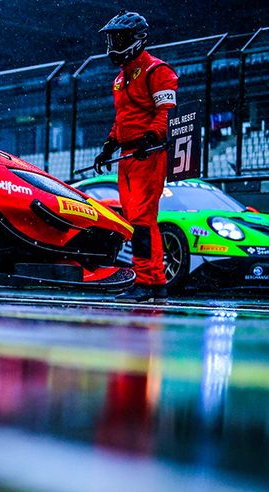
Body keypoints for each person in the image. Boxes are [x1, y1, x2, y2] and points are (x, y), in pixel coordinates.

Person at [93, 11, 178, 303]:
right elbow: (123, 117)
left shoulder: (158, 71)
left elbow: (165, 113)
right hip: (128, 155)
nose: (114, 43)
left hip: (149, 155)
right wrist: (109, 144)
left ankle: (144, 281)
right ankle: (156, 282)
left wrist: (151, 138)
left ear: (138, 40)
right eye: (112, 38)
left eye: (120, 38)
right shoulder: (120, 79)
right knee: (138, 220)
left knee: (141, 219)